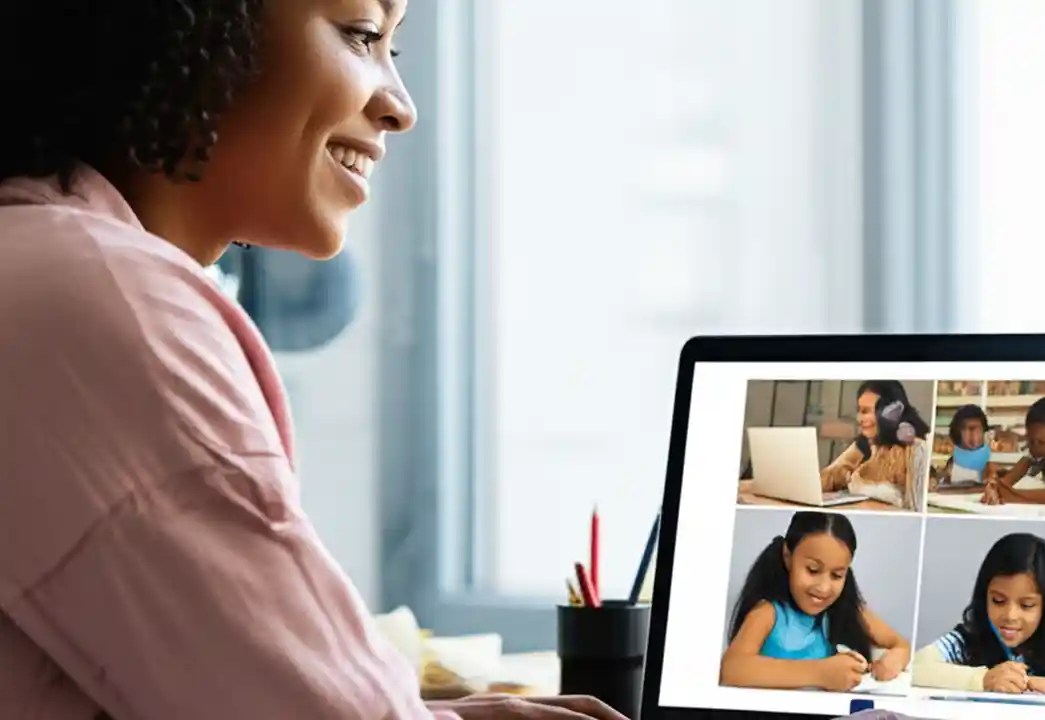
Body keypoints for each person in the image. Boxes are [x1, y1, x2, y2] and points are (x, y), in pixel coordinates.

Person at [0, 3, 620, 719]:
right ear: (195, 26)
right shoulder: (99, 303)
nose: (400, 107)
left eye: (395, 49)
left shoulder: (38, 263)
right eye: (361, 36)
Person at [720, 512, 911, 692]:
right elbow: (731, 669)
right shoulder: (768, 612)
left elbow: (900, 644)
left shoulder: (847, 610)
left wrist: (895, 659)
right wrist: (820, 673)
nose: (823, 587)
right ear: (788, 557)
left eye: (837, 575)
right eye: (812, 570)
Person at [912, 533, 1045, 699]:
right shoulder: (970, 636)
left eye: (1027, 605)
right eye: (998, 601)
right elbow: (917, 667)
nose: (1010, 615)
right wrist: (981, 679)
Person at [819, 381, 933, 511]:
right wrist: (843, 476)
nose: (859, 419)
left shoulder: (914, 447)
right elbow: (827, 477)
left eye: (866, 411)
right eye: (859, 411)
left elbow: (913, 505)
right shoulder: (864, 443)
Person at [938, 404, 999, 487]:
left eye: (976, 429)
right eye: (966, 429)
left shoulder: (993, 457)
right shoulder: (950, 460)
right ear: (958, 431)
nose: (973, 435)